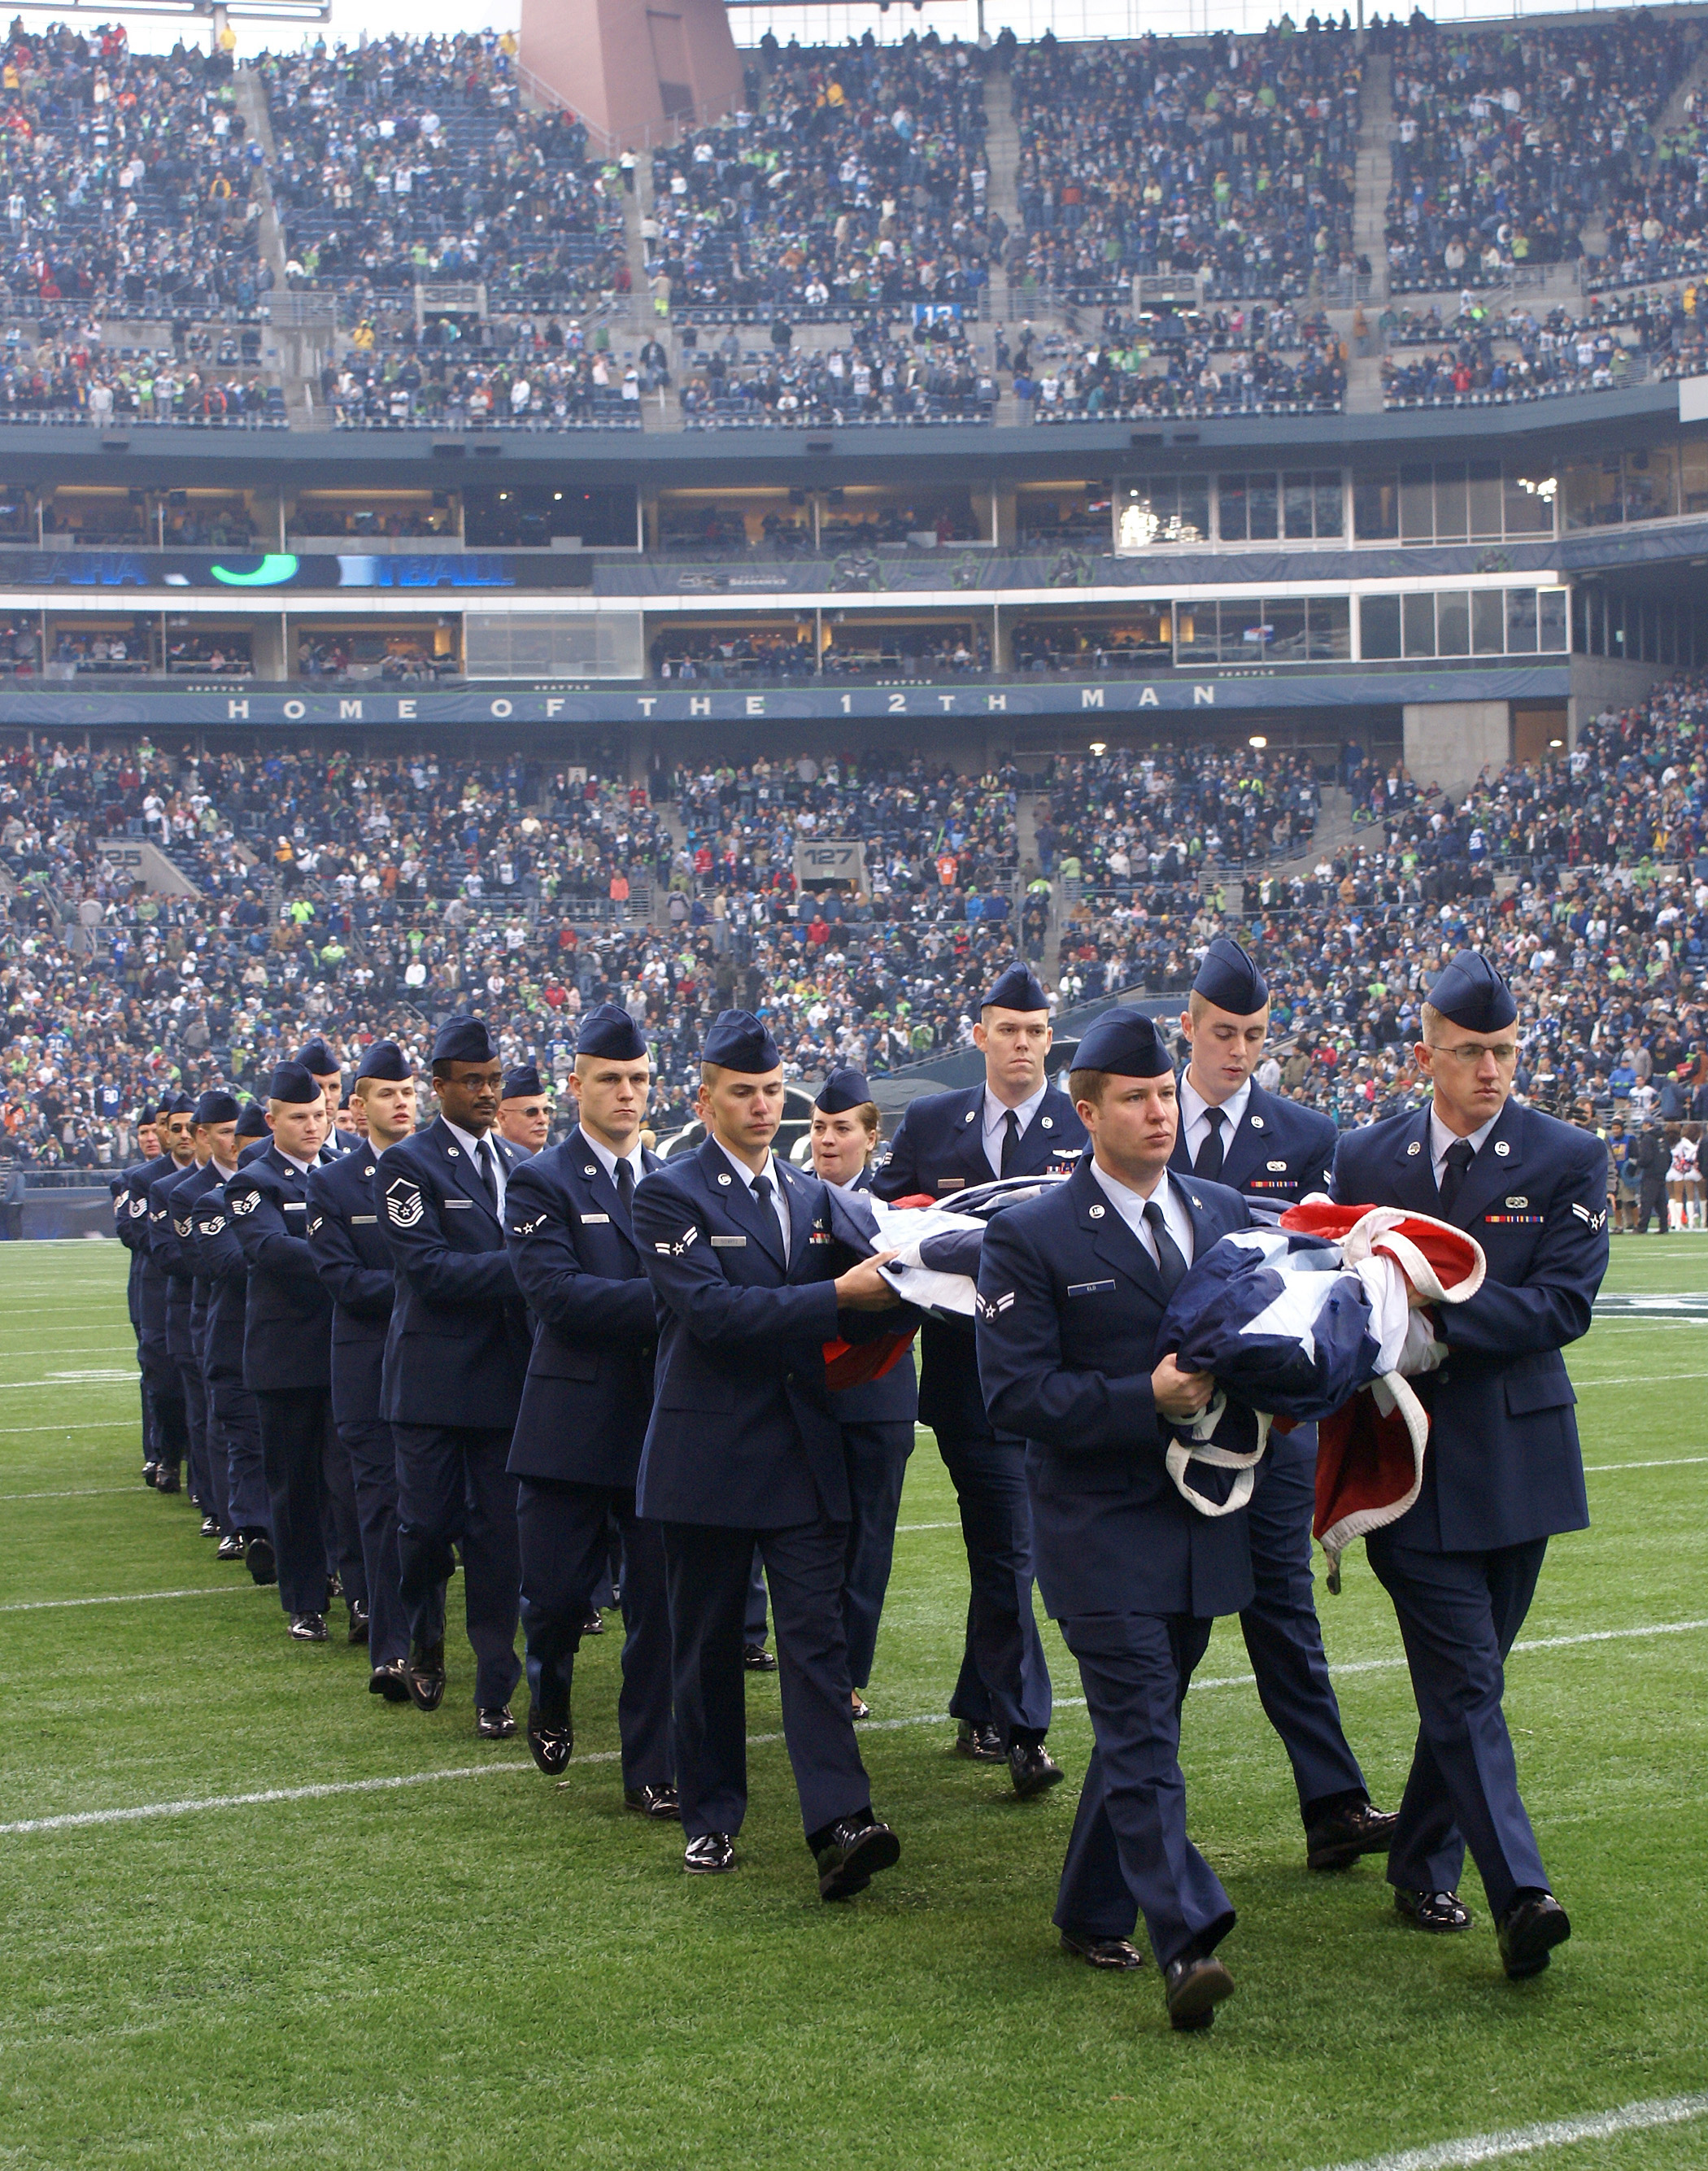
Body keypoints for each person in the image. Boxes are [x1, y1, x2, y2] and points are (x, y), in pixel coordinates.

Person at [975, 1007, 1256, 2029]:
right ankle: (1186, 1936)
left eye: (1165, 1093)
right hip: (1096, 1526)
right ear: (1086, 1111)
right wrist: (1145, 1395)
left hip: (1200, 1519)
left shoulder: (1222, 1208)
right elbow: (1016, 1395)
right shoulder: (1031, 1233)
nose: (1159, 1111)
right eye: (1134, 1098)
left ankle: (1092, 1904)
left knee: (1147, 1724)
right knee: (1140, 1729)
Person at [1331, 950, 1608, 1981]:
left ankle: (1419, 1861)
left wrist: (1434, 1317)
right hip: (1402, 1463)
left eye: (1504, 1050)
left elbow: (1562, 1304)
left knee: (1467, 1685)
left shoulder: (1567, 1154)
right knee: (1466, 1682)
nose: (1491, 1069)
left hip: (1519, 1460)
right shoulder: (1366, 1156)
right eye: (1470, 1051)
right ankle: (1521, 1893)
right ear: (1426, 1056)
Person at [633, 1009, 904, 1898]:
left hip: (800, 1450)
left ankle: (841, 1820)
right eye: (743, 1091)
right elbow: (712, 1313)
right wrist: (839, 1295)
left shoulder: (812, 1193)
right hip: (705, 1453)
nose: (761, 1105)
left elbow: (876, 1285)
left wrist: (923, 1279)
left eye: (772, 1090)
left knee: (816, 1642)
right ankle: (712, 1815)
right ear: (704, 1099)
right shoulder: (668, 1193)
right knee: (707, 1645)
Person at [1170, 936, 1397, 1872]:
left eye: (1256, 1034)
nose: (1239, 1050)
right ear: (1188, 1026)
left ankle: (1333, 1802)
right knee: (1168, 1626)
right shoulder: (1143, 1114)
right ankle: (1132, 1816)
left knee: (1283, 1605)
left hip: (1271, 1420)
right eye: (1224, 1031)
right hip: (1167, 1408)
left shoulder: (1305, 1135)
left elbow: (1323, 1270)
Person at [872, 961, 1083, 1795]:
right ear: (981, 1035)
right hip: (972, 1382)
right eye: (1009, 1029)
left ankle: (979, 1702)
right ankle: (1023, 1727)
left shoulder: (1080, 1116)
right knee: (1010, 1548)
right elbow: (885, 1222)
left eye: (1035, 1031)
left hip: (1065, 1381)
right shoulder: (932, 1120)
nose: (1023, 1043)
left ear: (1049, 1038)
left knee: (1011, 1552)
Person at [503, 1002, 675, 1816]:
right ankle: (550, 1688)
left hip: (661, 1427)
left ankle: (651, 1766)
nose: (627, 1092)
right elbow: (558, 1295)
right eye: (610, 1079)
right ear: (576, 1087)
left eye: (638, 1078)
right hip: (569, 1427)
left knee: (658, 1608)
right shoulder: (540, 1179)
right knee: (556, 1599)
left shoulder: (674, 1179)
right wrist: (681, 1299)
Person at [379, 1015, 531, 1736]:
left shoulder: (521, 1165)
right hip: (433, 1384)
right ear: (438, 1087)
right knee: (425, 1528)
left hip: (505, 1382)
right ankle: (425, 1636)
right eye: (472, 1080)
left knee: (500, 1539)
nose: (487, 1092)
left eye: (494, 1079)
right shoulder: (406, 1165)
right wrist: (531, 1267)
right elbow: (429, 1269)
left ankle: (495, 1685)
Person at [225, 1062, 362, 1644]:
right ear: (272, 1119)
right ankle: (305, 1600)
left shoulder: (344, 1170)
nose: (313, 1126)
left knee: (351, 1485)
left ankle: (362, 1596)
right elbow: (269, 1249)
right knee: (295, 1487)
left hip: (347, 1350)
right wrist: (347, 1263)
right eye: (300, 1117)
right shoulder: (252, 1181)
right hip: (286, 1359)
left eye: (319, 1115)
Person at [807, 1066, 917, 1720]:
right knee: (805, 1543)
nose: (827, 1139)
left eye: (842, 1128)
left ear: (871, 1138)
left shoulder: (897, 1210)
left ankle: (846, 1674)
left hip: (877, 1396)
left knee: (867, 1544)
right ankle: (805, 1662)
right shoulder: (789, 1197)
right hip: (803, 1395)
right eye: (820, 1127)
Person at [307, 1041, 417, 1695]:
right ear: (358, 1104)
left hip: (440, 1366)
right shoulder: (333, 1183)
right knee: (380, 1505)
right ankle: (392, 1650)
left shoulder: (444, 1170)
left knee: (439, 1515)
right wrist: (431, 1278)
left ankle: (431, 1636)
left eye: (407, 1092)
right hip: (368, 1365)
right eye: (387, 1093)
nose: (400, 1103)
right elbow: (344, 1281)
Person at [189, 1097, 274, 1580]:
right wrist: (284, 1249)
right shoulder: (211, 1202)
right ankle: (254, 1530)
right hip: (234, 1341)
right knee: (244, 1442)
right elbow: (227, 1264)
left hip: (287, 1340)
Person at [164, 1092, 244, 1543]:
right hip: (214, 1314)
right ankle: (222, 1515)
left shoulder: (264, 1181)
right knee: (217, 1418)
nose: (235, 1141)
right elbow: (198, 1261)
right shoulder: (187, 1193)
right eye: (226, 1132)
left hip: (268, 1317)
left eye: (239, 1131)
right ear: (205, 1136)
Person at [131, 1094, 195, 1495]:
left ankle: (199, 1474)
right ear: (164, 1133)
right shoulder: (146, 1180)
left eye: (191, 1127)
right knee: (165, 1382)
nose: (185, 1135)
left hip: (204, 1293)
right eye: (176, 1128)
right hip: (158, 1290)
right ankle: (166, 1454)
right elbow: (138, 1234)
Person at [115, 1105, 163, 1481]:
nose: (151, 1137)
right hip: (149, 1284)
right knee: (155, 1369)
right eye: (144, 1131)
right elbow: (130, 1231)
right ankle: (157, 1450)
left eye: (155, 1129)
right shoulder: (130, 1180)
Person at [298, 1037, 351, 1157]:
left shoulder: (359, 1151)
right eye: (318, 1087)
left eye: (333, 1087)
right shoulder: (260, 1155)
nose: (327, 1097)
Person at [496, 1062, 551, 1157]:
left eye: (546, 1111)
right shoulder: (488, 1162)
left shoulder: (565, 1163)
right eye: (531, 1112)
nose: (542, 1120)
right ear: (502, 1118)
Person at [1635, 1118, 1670, 1234]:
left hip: (1650, 1174)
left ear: (1647, 1124)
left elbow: (1646, 1157)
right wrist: (1664, 1169)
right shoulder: (1663, 1137)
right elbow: (1669, 1156)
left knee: (1647, 1201)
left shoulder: (1647, 1138)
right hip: (1662, 1174)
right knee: (1661, 1202)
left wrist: (1638, 1163)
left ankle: (1642, 1227)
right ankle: (1664, 1226)